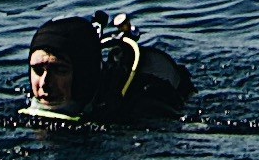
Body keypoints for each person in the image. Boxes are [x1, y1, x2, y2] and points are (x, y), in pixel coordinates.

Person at [22, 13, 195, 129]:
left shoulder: (141, 110)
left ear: (84, 74)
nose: (45, 83)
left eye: (59, 70)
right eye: (37, 70)